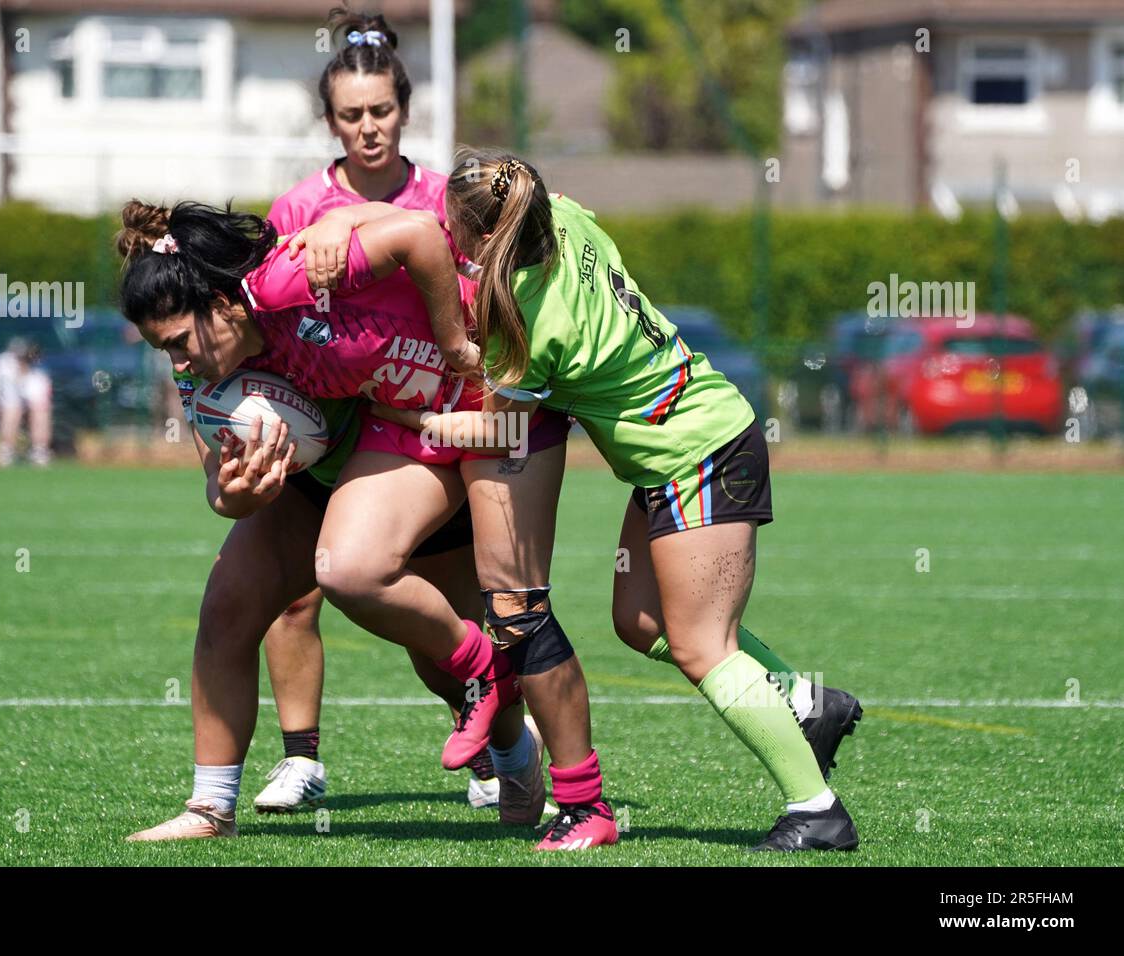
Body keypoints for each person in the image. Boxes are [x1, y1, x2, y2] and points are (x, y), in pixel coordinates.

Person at [368, 149, 862, 851]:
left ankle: (815, 810)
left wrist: (423, 420)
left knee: (701, 646)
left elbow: (505, 426)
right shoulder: (565, 218)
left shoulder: (524, 315)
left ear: (482, 240)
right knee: (638, 621)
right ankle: (809, 702)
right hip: (680, 450)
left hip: (701, 452)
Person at [118, 199, 551, 842]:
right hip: (335, 471)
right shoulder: (202, 374)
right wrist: (238, 493)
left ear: (219, 302)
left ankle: (518, 764)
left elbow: (421, 231)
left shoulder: (283, 283)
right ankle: (210, 809)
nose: (178, 363)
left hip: (427, 444)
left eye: (179, 342)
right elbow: (216, 481)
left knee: (439, 664)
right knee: (228, 608)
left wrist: (352, 227)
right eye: (163, 350)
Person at [249, 6, 540, 813]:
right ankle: (301, 759)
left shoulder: (447, 202)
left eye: (381, 111)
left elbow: (491, 310)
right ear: (330, 121)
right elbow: (272, 329)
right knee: (300, 589)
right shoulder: (297, 210)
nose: (369, 128)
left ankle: (509, 753)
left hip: (440, 432)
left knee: (442, 621)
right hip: (336, 430)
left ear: (404, 109)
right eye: (351, 116)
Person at [0, 336, 52, 467]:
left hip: (22, 408)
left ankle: (39, 451)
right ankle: (7, 450)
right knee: (13, 408)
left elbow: (39, 400)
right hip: (1, 407)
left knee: (39, 411)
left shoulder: (38, 372)